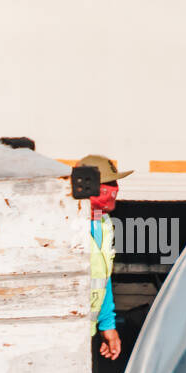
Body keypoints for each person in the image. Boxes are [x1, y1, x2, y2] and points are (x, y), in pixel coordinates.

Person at [79, 153, 131, 362]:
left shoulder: (103, 222)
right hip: (62, 329)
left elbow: (102, 278)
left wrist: (107, 325)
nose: (115, 189)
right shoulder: (66, 224)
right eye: (108, 183)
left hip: (83, 332)